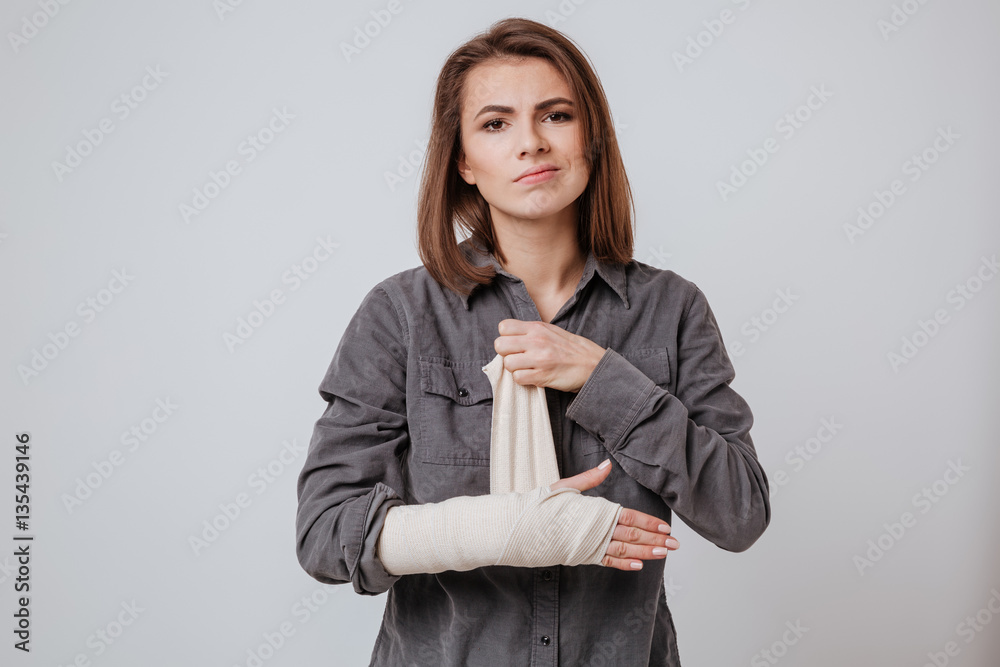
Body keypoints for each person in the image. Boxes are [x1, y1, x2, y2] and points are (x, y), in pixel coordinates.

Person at [295, 16, 770, 666]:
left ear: (591, 139)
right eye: (495, 123)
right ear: (463, 159)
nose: (531, 144)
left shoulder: (672, 309)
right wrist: (500, 528)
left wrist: (606, 380)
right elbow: (324, 535)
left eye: (556, 116)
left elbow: (741, 513)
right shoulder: (400, 314)